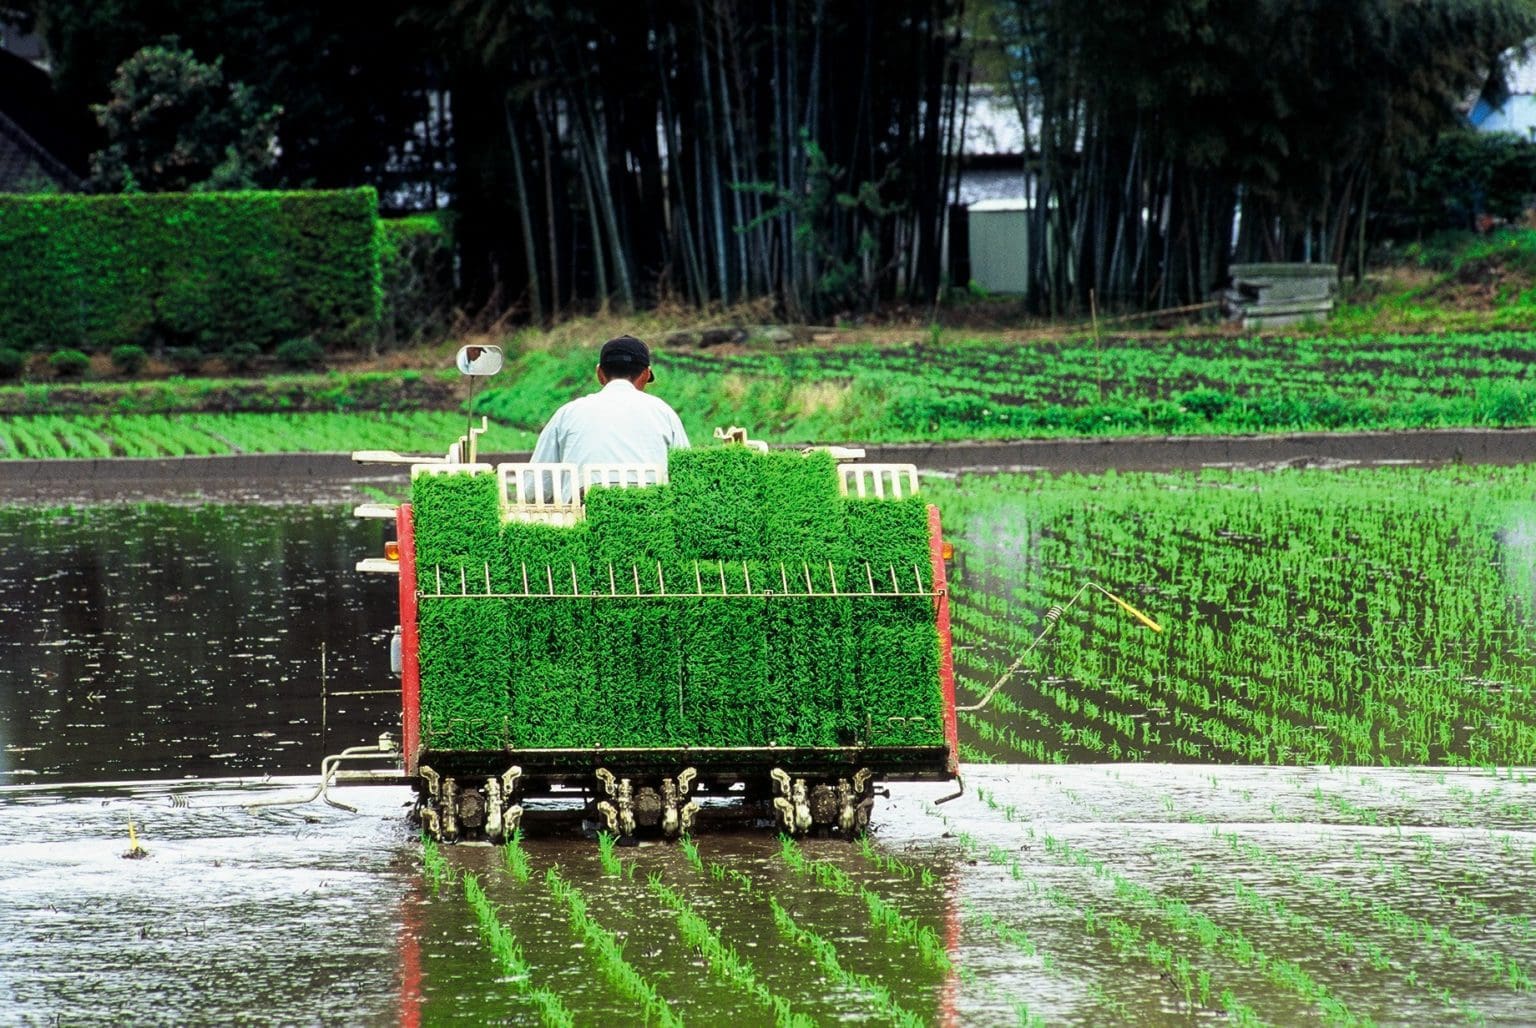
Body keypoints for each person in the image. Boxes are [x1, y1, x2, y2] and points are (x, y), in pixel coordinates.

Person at [531, 335, 689, 476]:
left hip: (583, 507)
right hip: (654, 507)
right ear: (646, 375)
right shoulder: (664, 413)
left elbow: (533, 486)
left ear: (600, 374)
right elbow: (686, 475)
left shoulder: (567, 413)